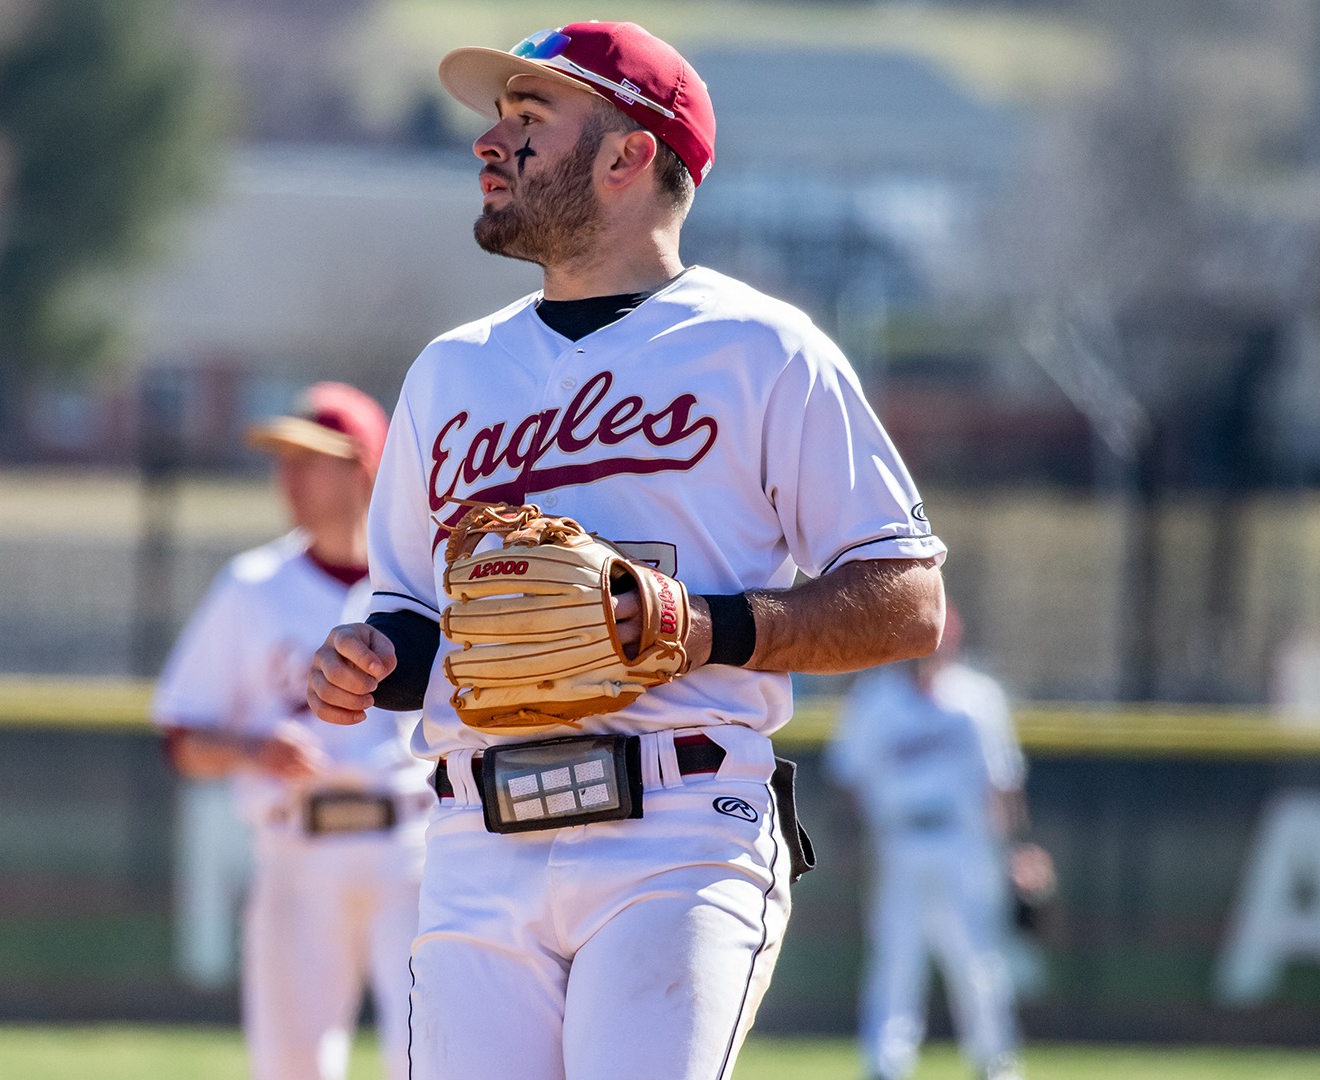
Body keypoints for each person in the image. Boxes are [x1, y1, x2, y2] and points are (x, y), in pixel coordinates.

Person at [305, 22, 948, 1080]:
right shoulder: (451, 372)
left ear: (627, 154)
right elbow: (415, 616)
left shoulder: (762, 349)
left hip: (679, 830)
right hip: (477, 833)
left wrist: (709, 627)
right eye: (498, 118)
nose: (492, 143)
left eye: (530, 119)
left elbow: (906, 598)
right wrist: (367, 658)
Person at [152, 383, 428, 1080]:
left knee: (435, 1062)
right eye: (283, 460)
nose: (289, 477)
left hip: (419, 852)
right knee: (290, 1070)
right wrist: (251, 748)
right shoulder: (254, 586)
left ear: (366, 466)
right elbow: (180, 735)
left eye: (310, 460)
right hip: (299, 849)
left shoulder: (427, 584)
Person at [829, 605, 1055, 1080]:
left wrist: (1020, 848)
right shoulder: (875, 699)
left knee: (978, 958)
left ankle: (996, 1061)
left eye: (937, 640)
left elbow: (1004, 783)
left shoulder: (978, 698)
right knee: (896, 958)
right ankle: (886, 1064)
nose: (929, 651)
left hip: (964, 844)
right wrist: (850, 846)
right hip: (899, 843)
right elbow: (847, 780)